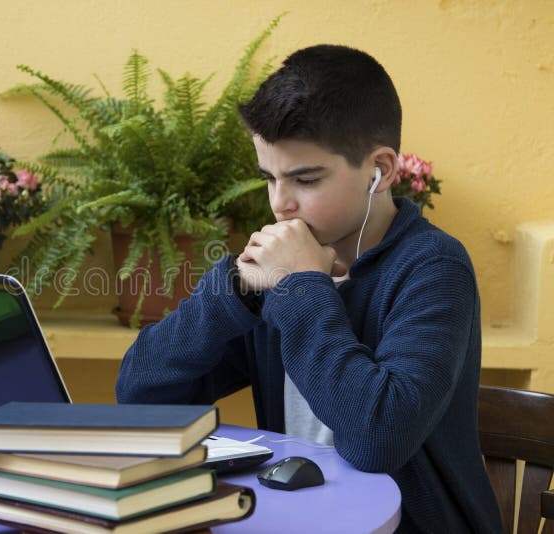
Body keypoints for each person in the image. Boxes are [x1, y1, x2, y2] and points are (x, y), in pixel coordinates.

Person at [115, 44, 502, 533]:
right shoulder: (274, 269)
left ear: (379, 170)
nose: (280, 204)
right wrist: (233, 292)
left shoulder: (433, 269)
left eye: (305, 179)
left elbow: (376, 439)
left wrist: (302, 286)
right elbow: (141, 395)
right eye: (269, 178)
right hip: (299, 521)